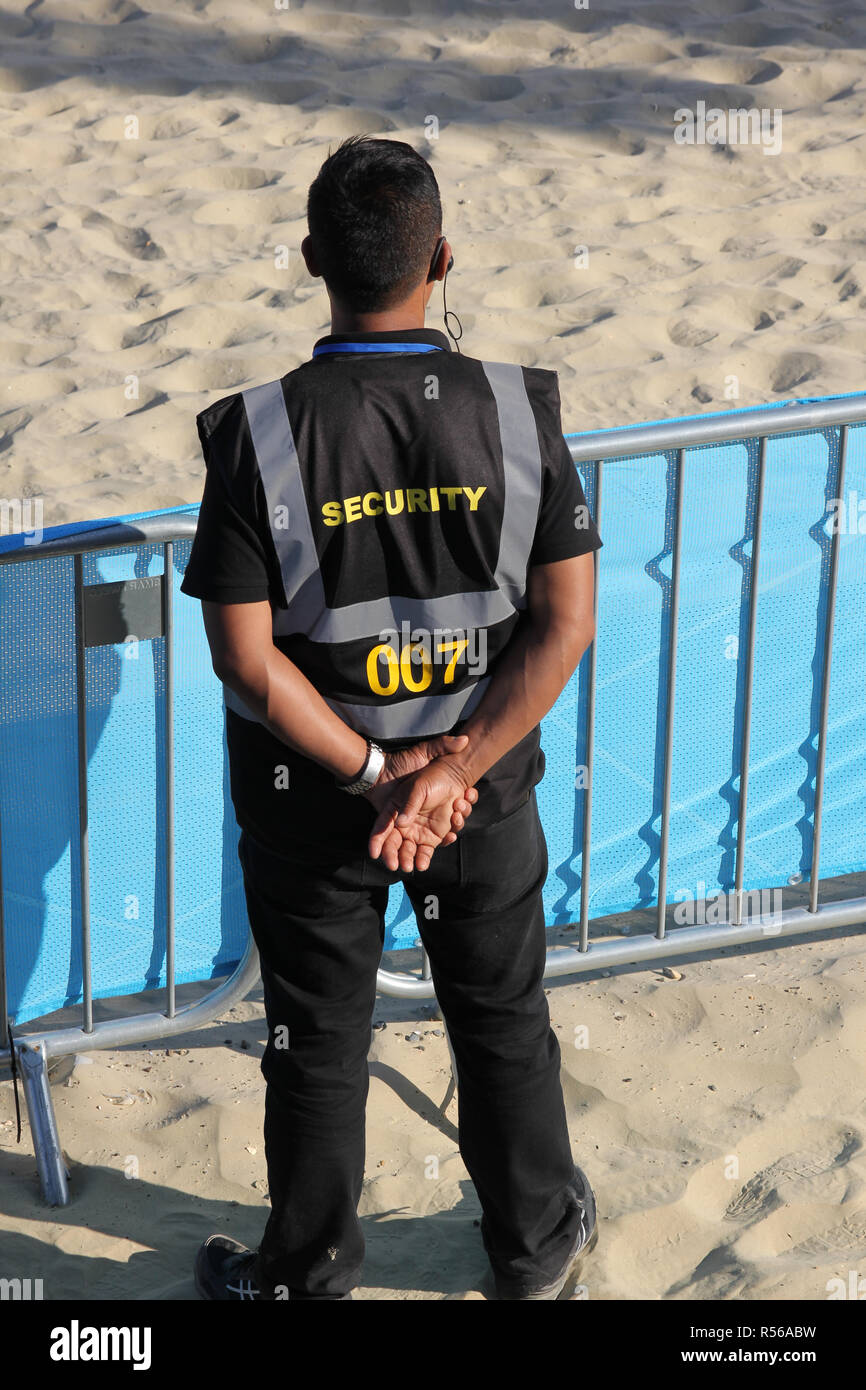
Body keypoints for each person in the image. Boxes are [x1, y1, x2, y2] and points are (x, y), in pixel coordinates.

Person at [180, 135, 602, 1301]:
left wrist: (375, 769)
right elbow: (564, 626)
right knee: (502, 1016)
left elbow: (246, 661)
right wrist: (448, 766)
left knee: (314, 1041)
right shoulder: (518, 412)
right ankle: (534, 1251)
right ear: (443, 257)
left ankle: (307, 1274)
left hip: (315, 798)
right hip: (481, 788)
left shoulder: (258, 432)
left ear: (311, 257)